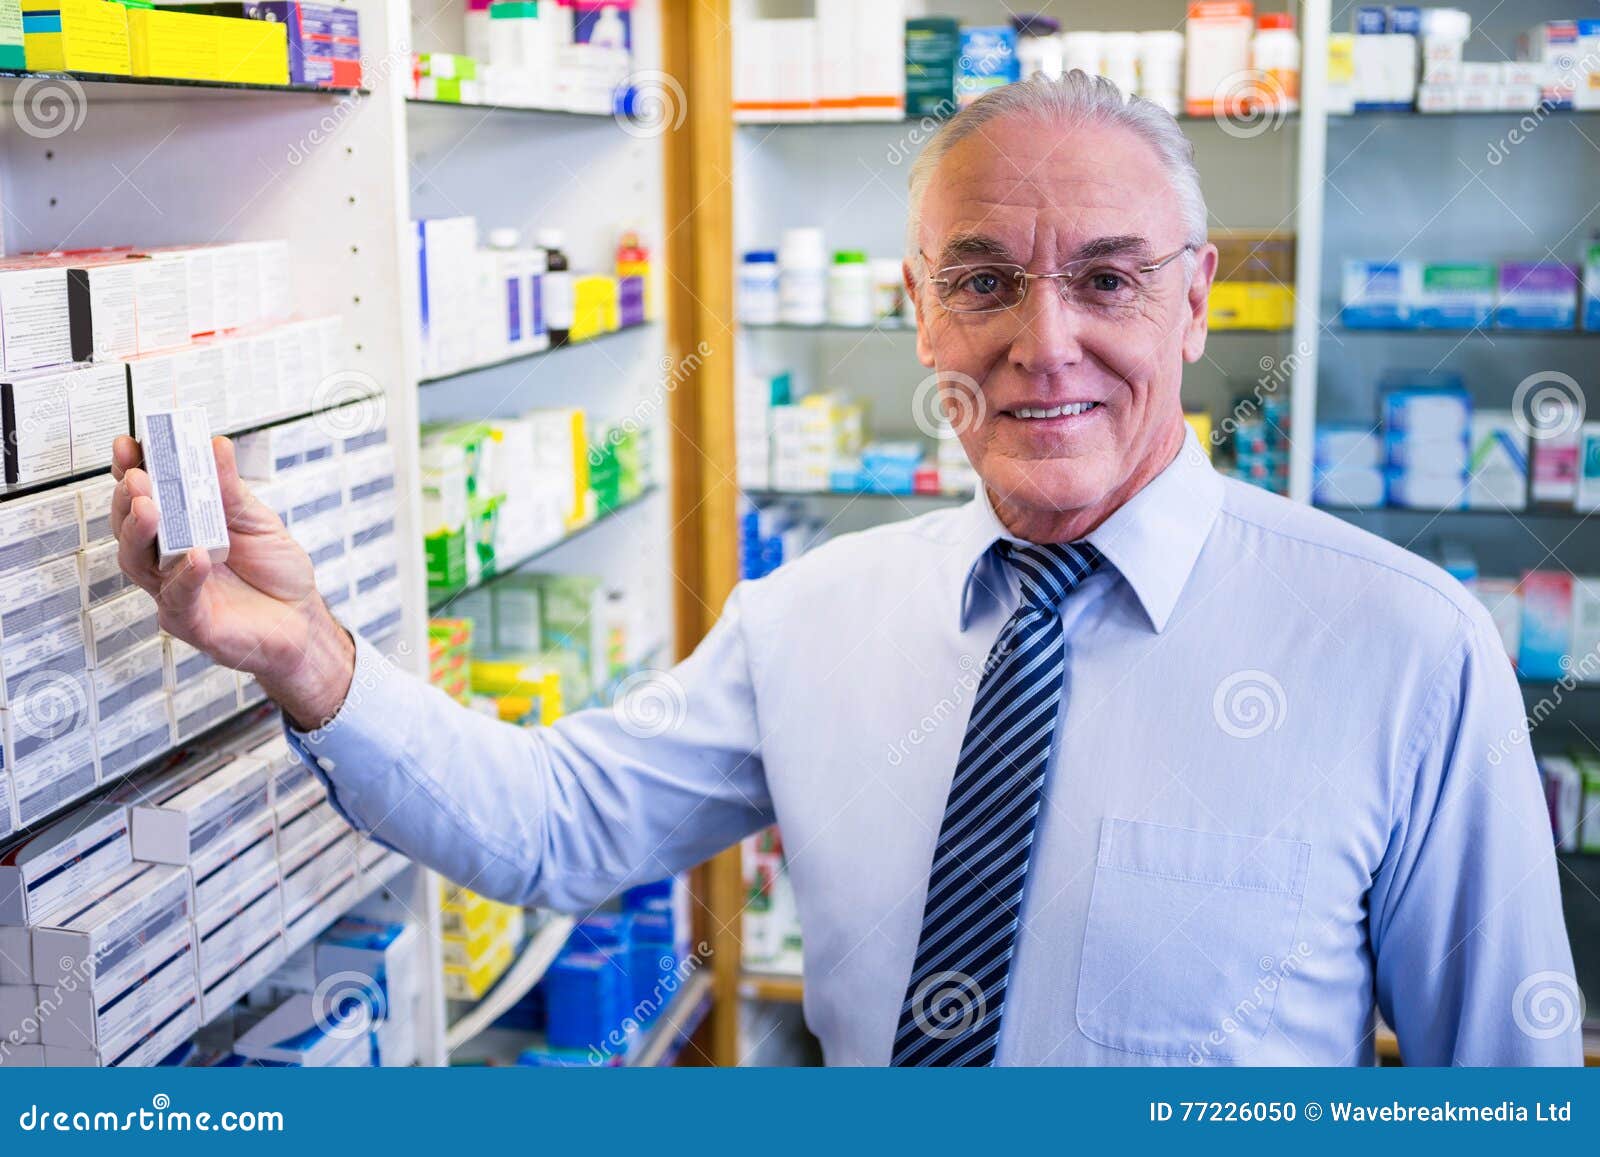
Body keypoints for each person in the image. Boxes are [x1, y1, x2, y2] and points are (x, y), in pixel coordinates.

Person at [111, 73, 1580, 1066]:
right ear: (922, 313)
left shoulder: (1401, 647)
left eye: (1109, 278)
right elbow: (555, 826)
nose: (1045, 341)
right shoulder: (811, 617)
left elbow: (1500, 1087)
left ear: (1195, 303)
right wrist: (309, 652)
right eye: (986, 280)